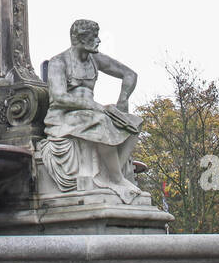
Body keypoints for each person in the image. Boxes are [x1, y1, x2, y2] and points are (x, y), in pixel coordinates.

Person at [41, 19, 143, 203]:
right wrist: (92, 105)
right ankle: (117, 179)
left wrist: (123, 99)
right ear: (79, 39)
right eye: (94, 37)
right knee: (101, 122)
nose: (98, 41)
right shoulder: (59, 62)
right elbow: (58, 97)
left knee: (133, 123)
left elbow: (130, 75)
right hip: (63, 116)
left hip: (91, 113)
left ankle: (111, 174)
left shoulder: (95, 59)